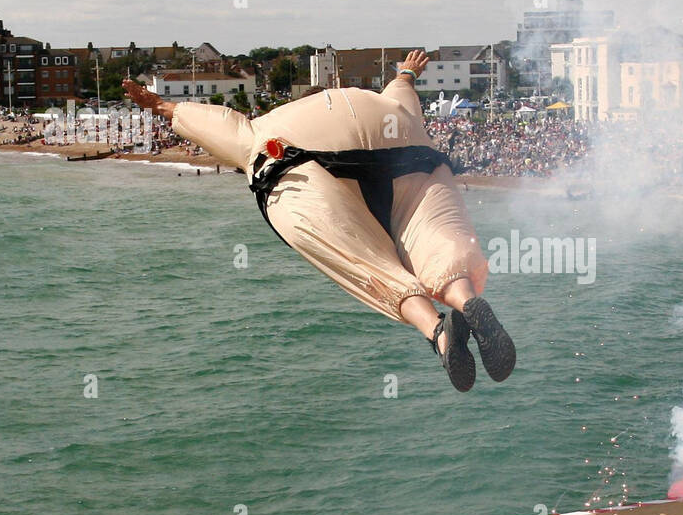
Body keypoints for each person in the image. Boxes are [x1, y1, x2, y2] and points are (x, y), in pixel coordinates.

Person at [120, 50, 514, 392]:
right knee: (435, 237)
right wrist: (406, 74)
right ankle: (465, 297)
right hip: (405, 143)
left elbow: (224, 124)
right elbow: (401, 92)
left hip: (300, 155)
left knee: (359, 258)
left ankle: (438, 332)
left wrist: (164, 107)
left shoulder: (269, 124)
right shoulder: (380, 100)